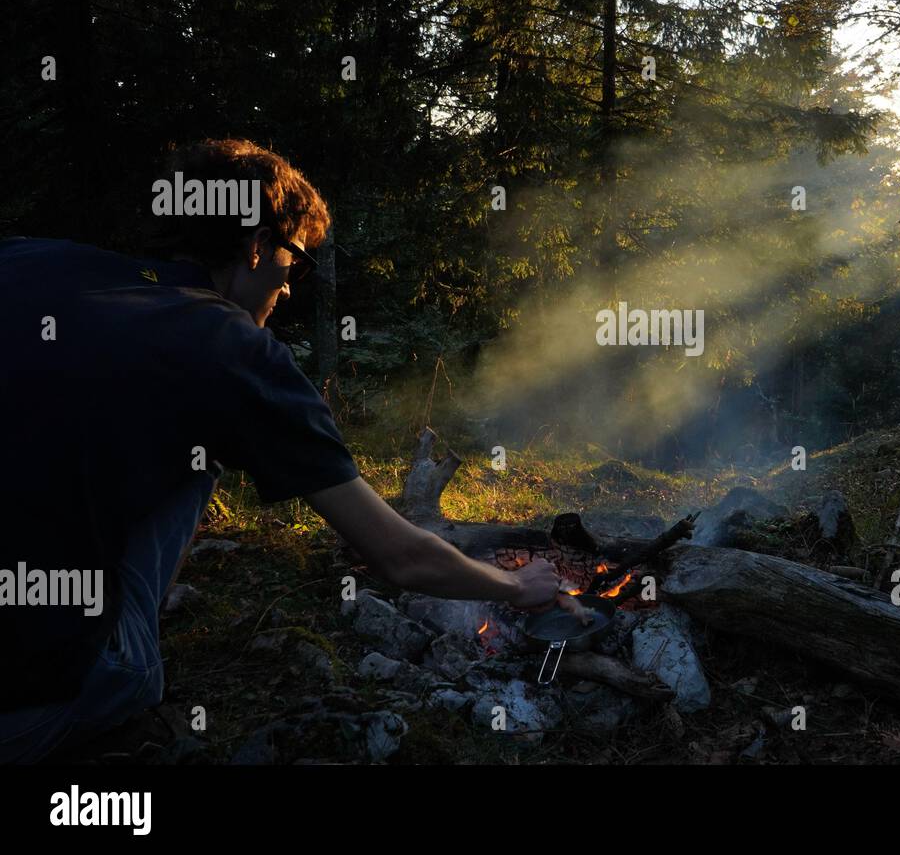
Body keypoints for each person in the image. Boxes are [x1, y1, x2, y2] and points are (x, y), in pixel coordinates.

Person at [0, 138, 561, 763]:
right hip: (36, 696)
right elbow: (397, 557)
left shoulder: (27, 260)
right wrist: (514, 586)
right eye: (295, 259)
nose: (290, 288)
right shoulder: (226, 344)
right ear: (258, 244)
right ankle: (121, 680)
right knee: (198, 452)